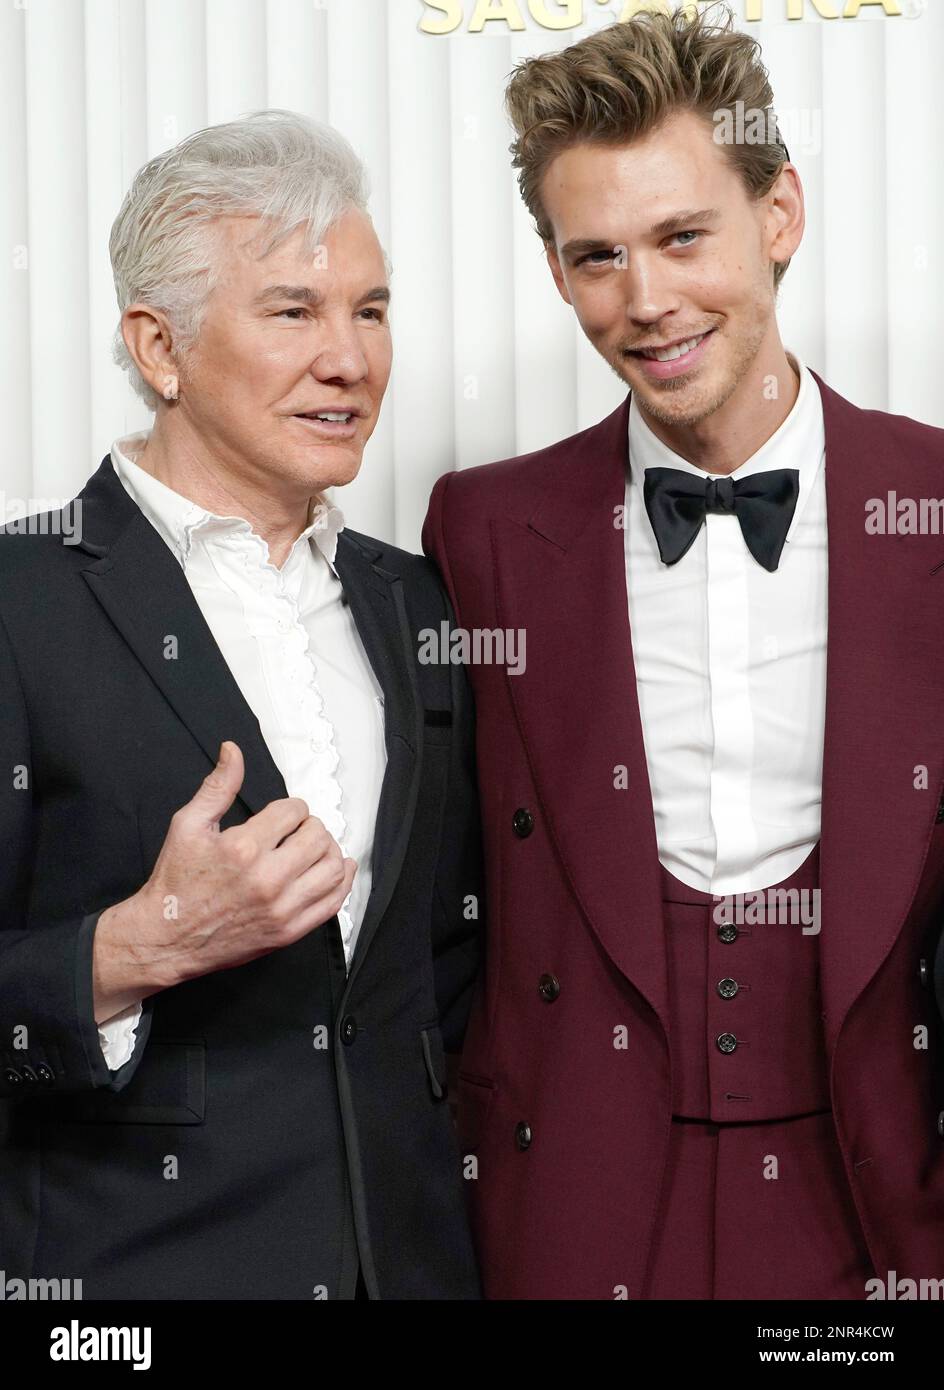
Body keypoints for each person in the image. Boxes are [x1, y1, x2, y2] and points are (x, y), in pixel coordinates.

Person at [423, 6, 944, 1300]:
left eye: (682, 235)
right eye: (596, 255)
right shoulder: (482, 528)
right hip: (572, 1205)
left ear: (780, 216)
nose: (646, 301)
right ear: (554, 271)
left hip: (879, 1209)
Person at [0, 110, 482, 1301]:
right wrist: (137, 946)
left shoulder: (417, 599)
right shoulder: (18, 599)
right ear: (159, 349)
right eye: (293, 311)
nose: (351, 358)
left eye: (370, 310)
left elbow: (448, 964)